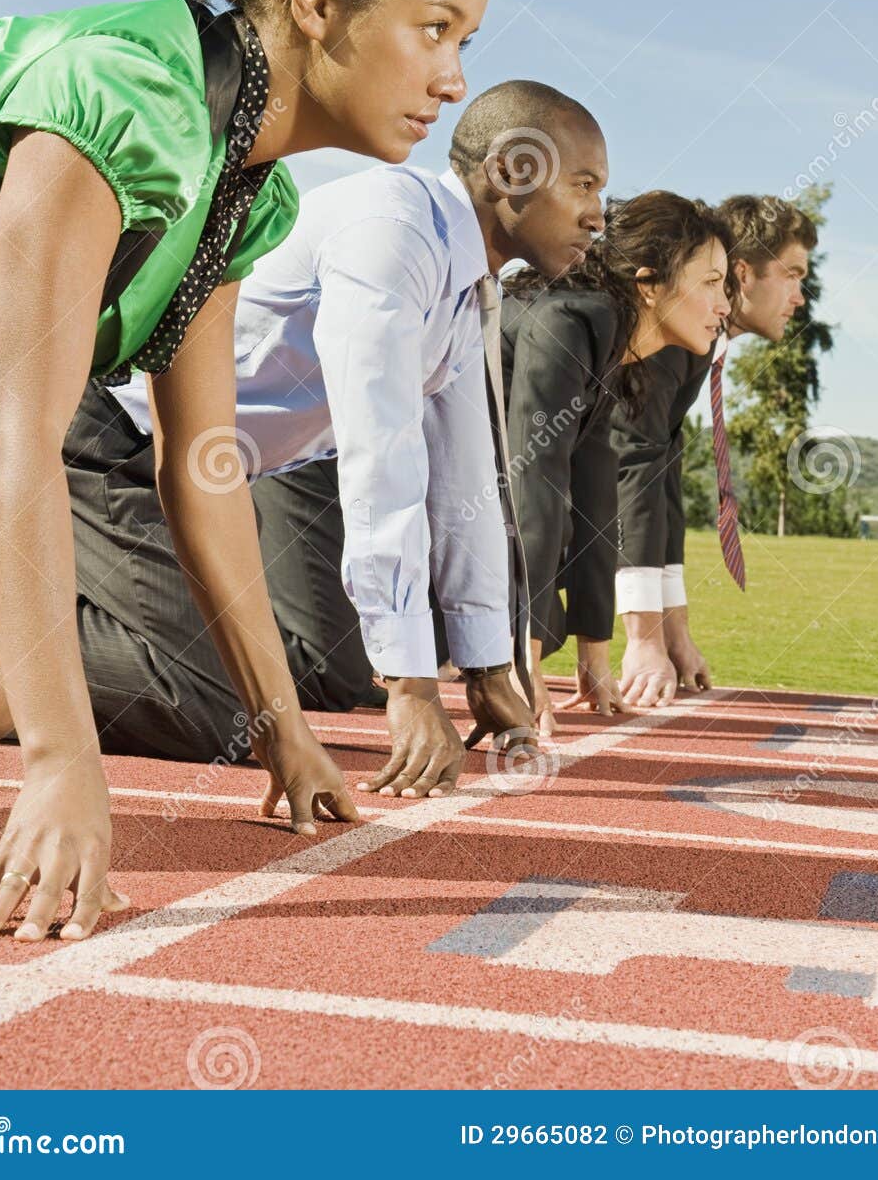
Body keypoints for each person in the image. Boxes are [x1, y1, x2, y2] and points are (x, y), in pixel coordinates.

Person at [0, 0, 490, 944]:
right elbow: (15, 449)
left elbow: (203, 472)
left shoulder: (245, 194)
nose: (456, 77)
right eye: (436, 28)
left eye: (466, 41)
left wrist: (281, 725)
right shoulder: (126, 91)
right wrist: (59, 763)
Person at [67, 82, 608, 795]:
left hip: (209, 476)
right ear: (512, 170)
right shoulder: (393, 231)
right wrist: (411, 685)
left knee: (320, 672)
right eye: (585, 184)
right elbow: (380, 453)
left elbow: (462, 477)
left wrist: (484, 667)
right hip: (117, 442)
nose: (597, 216)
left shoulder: (468, 283)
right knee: (228, 709)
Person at [502, 193, 735, 733]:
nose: (724, 305)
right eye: (709, 283)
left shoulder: (615, 348)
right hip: (322, 468)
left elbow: (594, 491)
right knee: (333, 673)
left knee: (550, 621)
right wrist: (526, 664)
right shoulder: (568, 322)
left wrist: (595, 657)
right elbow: (534, 483)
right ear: (650, 285)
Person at [610, 194, 816, 706]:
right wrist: (643, 640)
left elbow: (662, 478)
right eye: (791, 274)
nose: (800, 297)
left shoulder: (698, 340)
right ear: (743, 274)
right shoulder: (674, 329)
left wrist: (675, 634)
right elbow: (631, 464)